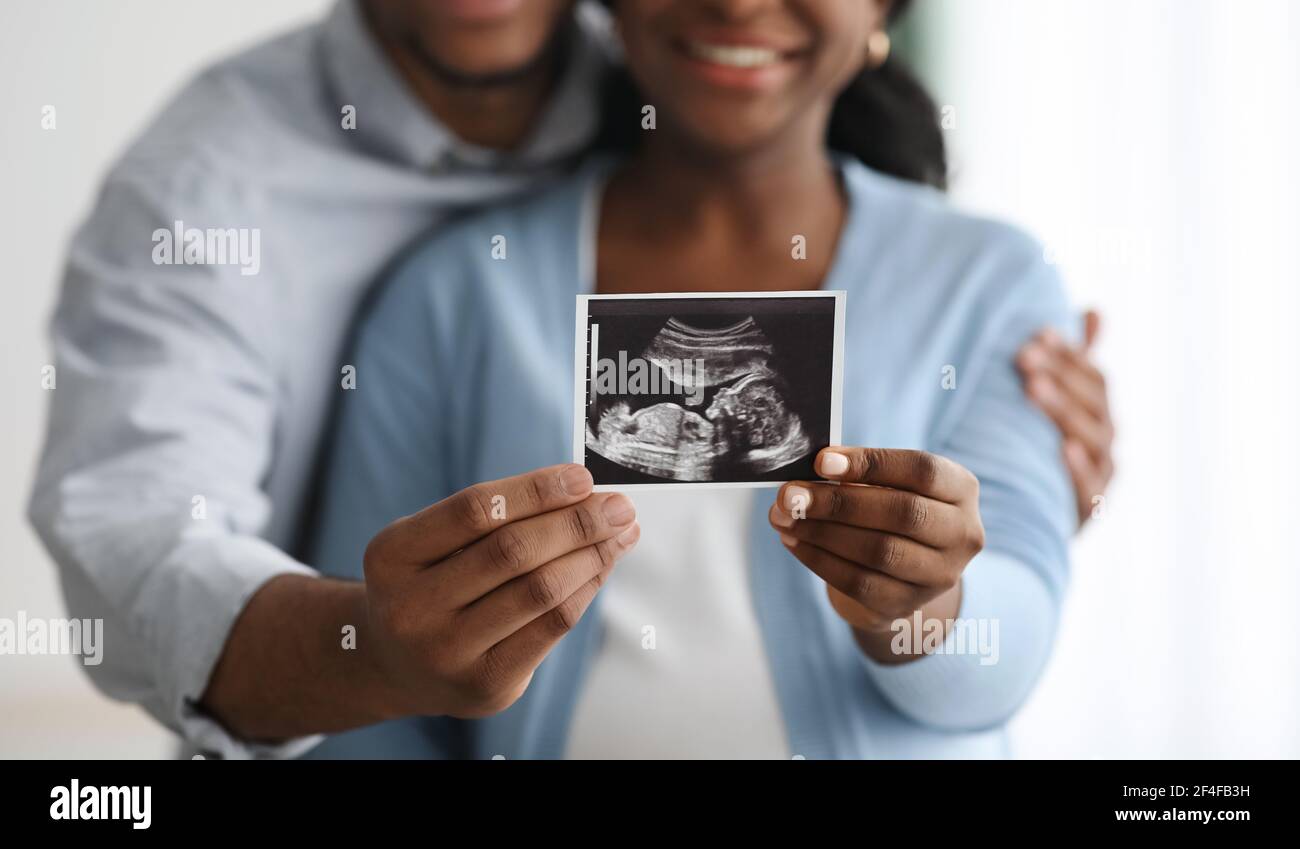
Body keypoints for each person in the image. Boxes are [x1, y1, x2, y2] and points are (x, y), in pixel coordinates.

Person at [27, 0, 1113, 758]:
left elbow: (998, 647)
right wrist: (381, 657)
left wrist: (924, 602)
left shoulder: (986, 279)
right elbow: (142, 540)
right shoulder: (438, 286)